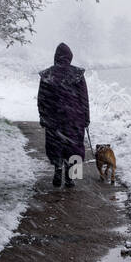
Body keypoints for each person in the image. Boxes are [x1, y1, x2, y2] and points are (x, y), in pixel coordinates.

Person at [37, 42, 90, 188]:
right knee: (74, 147)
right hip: (74, 118)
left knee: (56, 146)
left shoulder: (47, 75)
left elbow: (42, 99)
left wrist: (43, 116)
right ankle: (70, 177)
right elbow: (84, 98)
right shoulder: (78, 74)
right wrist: (86, 118)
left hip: (54, 118)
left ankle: (58, 170)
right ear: (70, 57)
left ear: (56, 57)